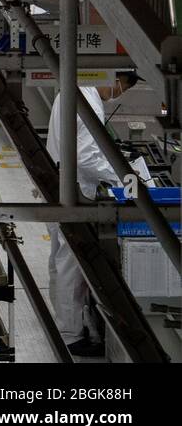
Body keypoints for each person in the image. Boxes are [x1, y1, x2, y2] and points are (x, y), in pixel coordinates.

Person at [46, 73, 137, 357]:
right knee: (71, 263)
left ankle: (65, 324)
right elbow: (86, 158)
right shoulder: (89, 102)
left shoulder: (73, 92)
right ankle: (71, 335)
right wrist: (122, 177)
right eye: (121, 88)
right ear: (115, 78)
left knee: (60, 258)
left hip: (57, 184)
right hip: (74, 190)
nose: (117, 95)